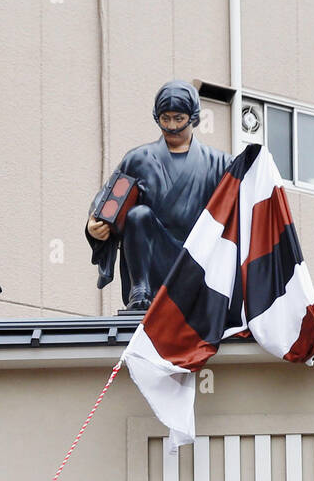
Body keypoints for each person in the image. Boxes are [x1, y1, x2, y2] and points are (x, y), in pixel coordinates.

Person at [86, 80, 230, 309]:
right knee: (139, 215)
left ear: (193, 117)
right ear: (157, 117)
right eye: (165, 119)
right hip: (153, 256)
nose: (172, 126)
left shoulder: (220, 163)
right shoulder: (138, 159)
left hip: (198, 258)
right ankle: (141, 288)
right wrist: (95, 224)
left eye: (178, 119)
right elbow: (107, 200)